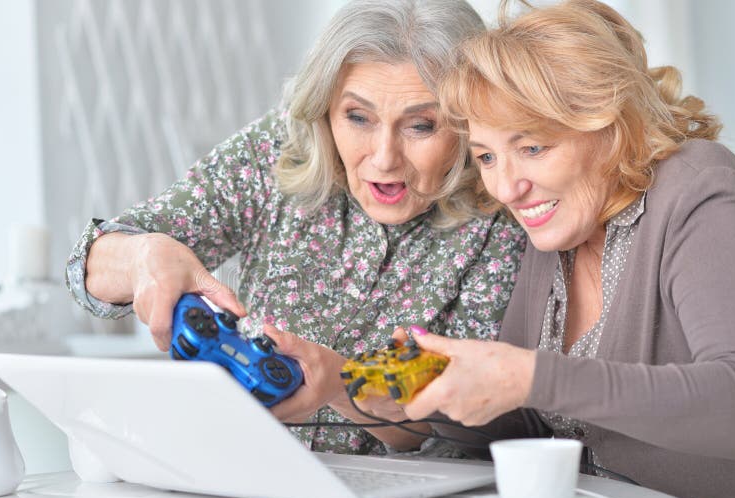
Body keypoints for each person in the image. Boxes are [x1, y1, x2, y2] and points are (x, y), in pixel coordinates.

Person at [66, 0, 525, 457]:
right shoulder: (278, 152)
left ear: (468, 125)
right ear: (325, 109)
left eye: (421, 126)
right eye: (357, 117)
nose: (384, 157)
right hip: (241, 478)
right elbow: (88, 267)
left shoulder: (503, 214)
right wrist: (141, 257)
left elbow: (463, 431)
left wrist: (343, 384)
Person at [399, 0, 735, 498]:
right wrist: (385, 390)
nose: (507, 188)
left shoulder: (698, 186)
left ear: (609, 126)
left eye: (532, 147)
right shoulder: (559, 230)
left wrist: (532, 375)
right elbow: (519, 428)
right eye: (487, 156)